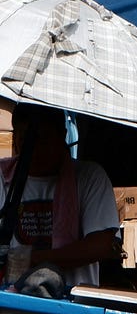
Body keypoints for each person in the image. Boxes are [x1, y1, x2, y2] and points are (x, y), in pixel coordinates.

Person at [0, 105, 118, 295]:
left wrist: (32, 258)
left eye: (43, 140)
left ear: (62, 135)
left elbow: (100, 245)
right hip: (11, 301)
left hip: (73, 304)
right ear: (15, 140)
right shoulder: (2, 177)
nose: (34, 150)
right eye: (26, 141)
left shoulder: (89, 177)